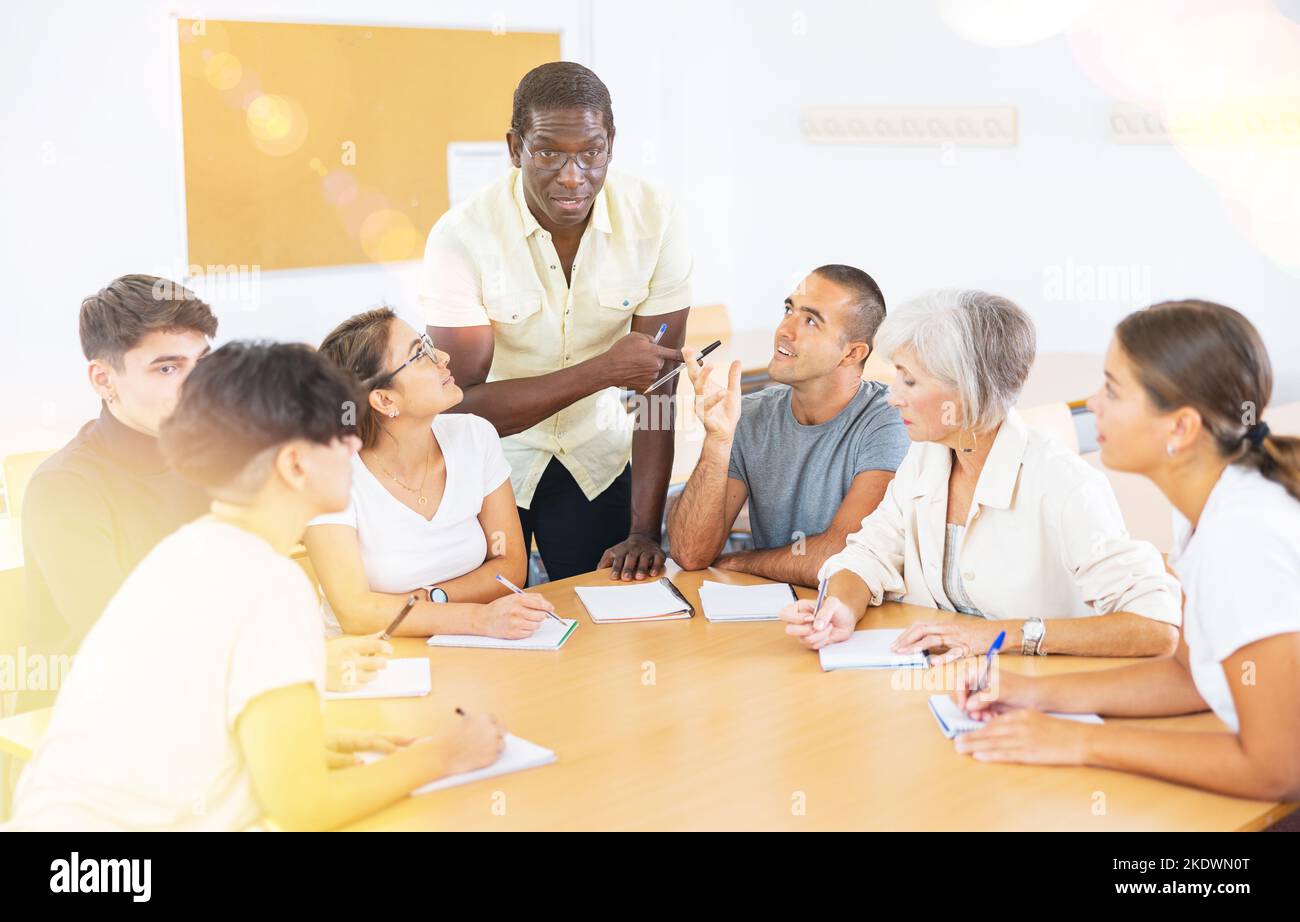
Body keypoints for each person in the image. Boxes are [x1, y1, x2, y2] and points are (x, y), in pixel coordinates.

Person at [8, 342, 505, 831]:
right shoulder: (269, 584)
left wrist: (287, 752)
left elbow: (182, 701)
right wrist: (445, 754)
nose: (355, 446)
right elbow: (305, 811)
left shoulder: (192, 549)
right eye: (339, 436)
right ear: (293, 465)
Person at [950, 300, 1300, 801]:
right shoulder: (1211, 508)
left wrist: (1080, 740)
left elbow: (1278, 769)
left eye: (1113, 390)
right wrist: (1032, 692)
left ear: (1179, 428)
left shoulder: (1243, 536)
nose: (1093, 403)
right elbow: (1190, 676)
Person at [780, 289, 1181, 661]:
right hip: (948, 690)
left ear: (966, 391)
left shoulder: (1065, 484)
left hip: (1036, 698)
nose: (893, 395)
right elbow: (868, 554)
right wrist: (839, 607)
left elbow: (1156, 626)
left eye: (910, 379)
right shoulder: (925, 459)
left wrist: (1005, 636)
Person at [423, 62, 693, 582]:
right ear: (514, 147)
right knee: (494, 619)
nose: (573, 177)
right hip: (491, 461)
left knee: (608, 625)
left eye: (591, 152)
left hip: (595, 457)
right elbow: (459, 407)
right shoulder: (462, 238)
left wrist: (645, 529)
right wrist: (604, 372)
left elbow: (658, 390)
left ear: (611, 144)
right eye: (547, 151)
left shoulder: (656, 219)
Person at [18, 276, 216, 709]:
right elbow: (125, 645)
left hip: (199, 700)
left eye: (202, 363)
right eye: (168, 368)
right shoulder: (64, 488)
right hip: (92, 721)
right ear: (104, 380)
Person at [306, 307, 554, 638]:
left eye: (427, 343)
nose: (444, 356)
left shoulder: (474, 436)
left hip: (465, 650)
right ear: (383, 399)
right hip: (373, 662)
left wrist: (431, 598)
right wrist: (479, 620)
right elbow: (356, 613)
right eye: (420, 354)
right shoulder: (328, 472)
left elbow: (508, 565)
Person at [667, 265, 909, 585]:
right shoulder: (750, 415)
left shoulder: (889, 420)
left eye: (810, 321)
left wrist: (741, 561)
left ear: (852, 353)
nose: (785, 330)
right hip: (777, 612)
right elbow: (689, 554)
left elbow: (842, 556)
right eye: (788, 310)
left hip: (857, 618)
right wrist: (717, 439)